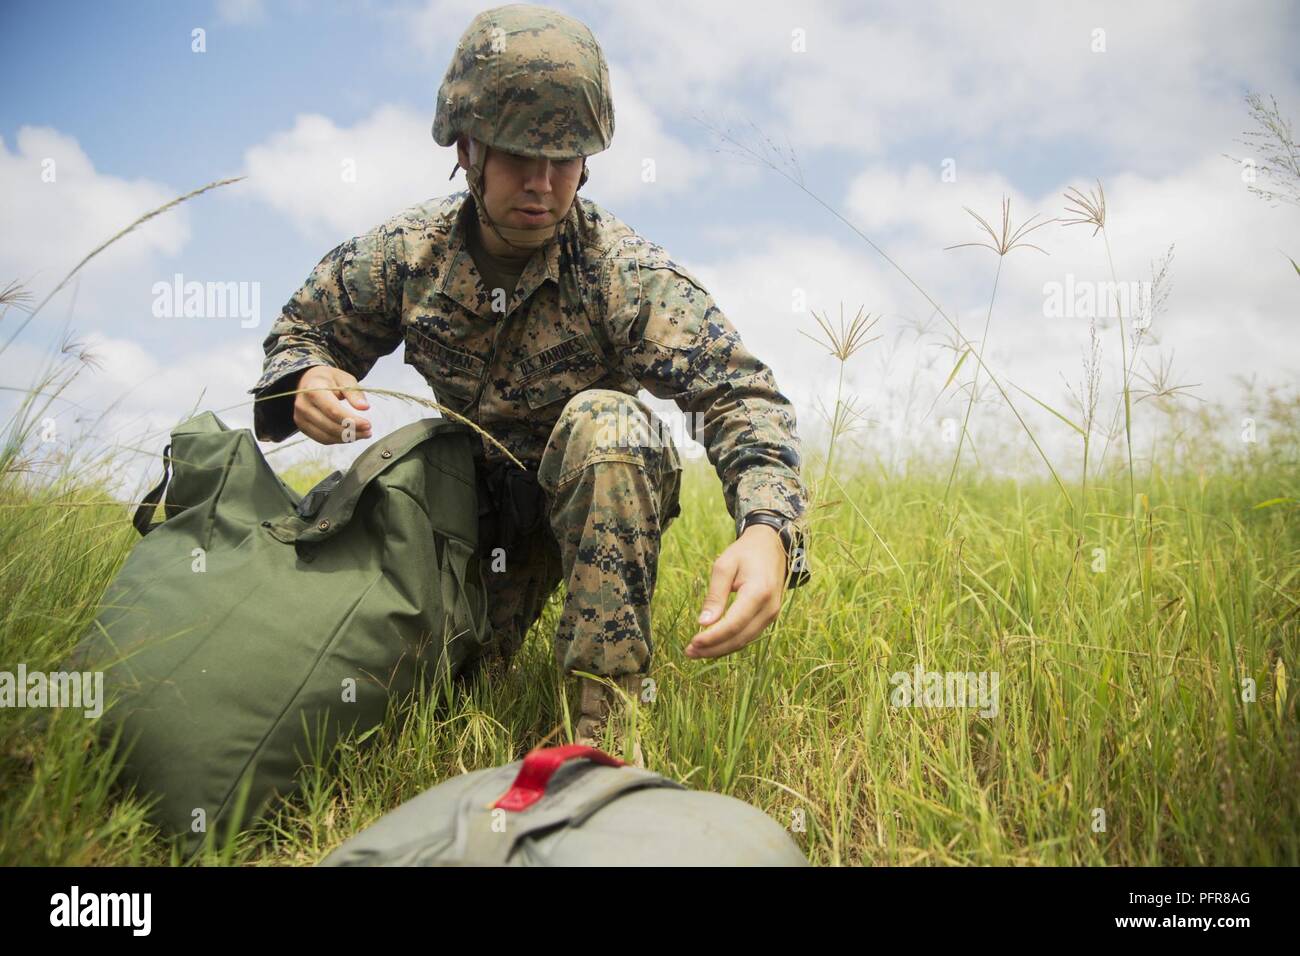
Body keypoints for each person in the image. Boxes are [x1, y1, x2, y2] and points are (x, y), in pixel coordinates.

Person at [247, 3, 810, 766]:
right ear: (469, 147)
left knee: (610, 426)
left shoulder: (622, 271)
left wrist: (768, 531)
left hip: (575, 511)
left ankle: (603, 741)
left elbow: (739, 396)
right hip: (456, 527)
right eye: (519, 155)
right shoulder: (405, 255)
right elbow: (301, 332)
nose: (544, 183)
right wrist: (306, 377)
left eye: (567, 157)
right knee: (413, 709)